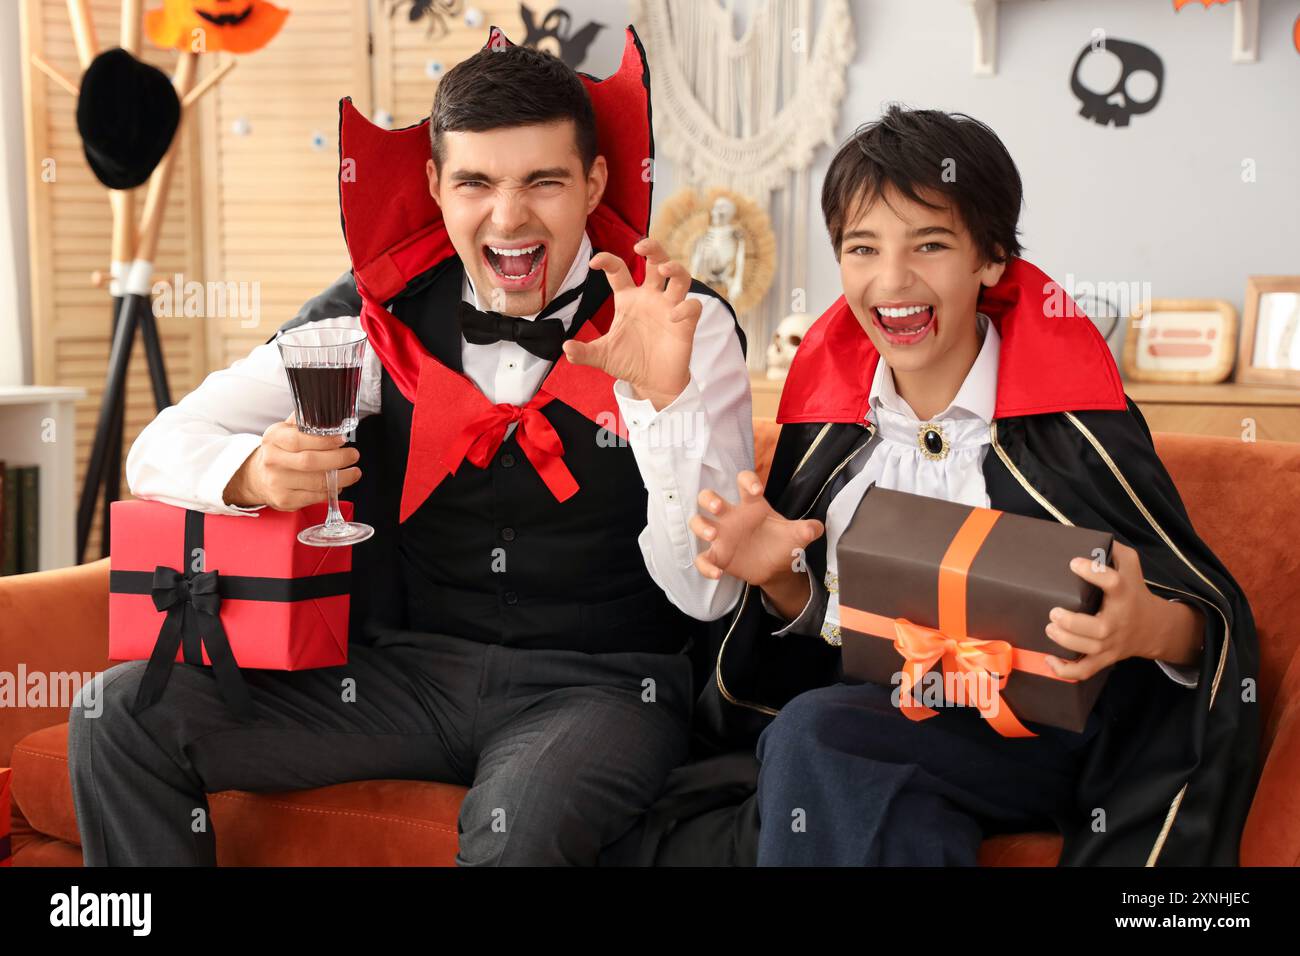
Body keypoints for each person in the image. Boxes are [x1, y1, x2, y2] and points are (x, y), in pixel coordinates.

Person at [66, 29, 754, 866]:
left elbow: (706, 596)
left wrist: (662, 402)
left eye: (543, 181)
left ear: (595, 182)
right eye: (475, 183)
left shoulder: (683, 324)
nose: (509, 217)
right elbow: (159, 447)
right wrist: (247, 473)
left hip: (603, 689)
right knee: (120, 714)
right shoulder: (373, 322)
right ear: (435, 186)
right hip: (404, 679)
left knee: (518, 826)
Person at [639, 105, 1259, 866]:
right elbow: (841, 641)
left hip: (1049, 744)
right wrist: (781, 583)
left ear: (991, 257)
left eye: (929, 244)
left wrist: (1146, 626)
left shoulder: (1077, 426)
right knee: (873, 795)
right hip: (894, 729)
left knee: (818, 738)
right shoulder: (829, 432)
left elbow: (1209, 619)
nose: (892, 280)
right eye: (863, 248)